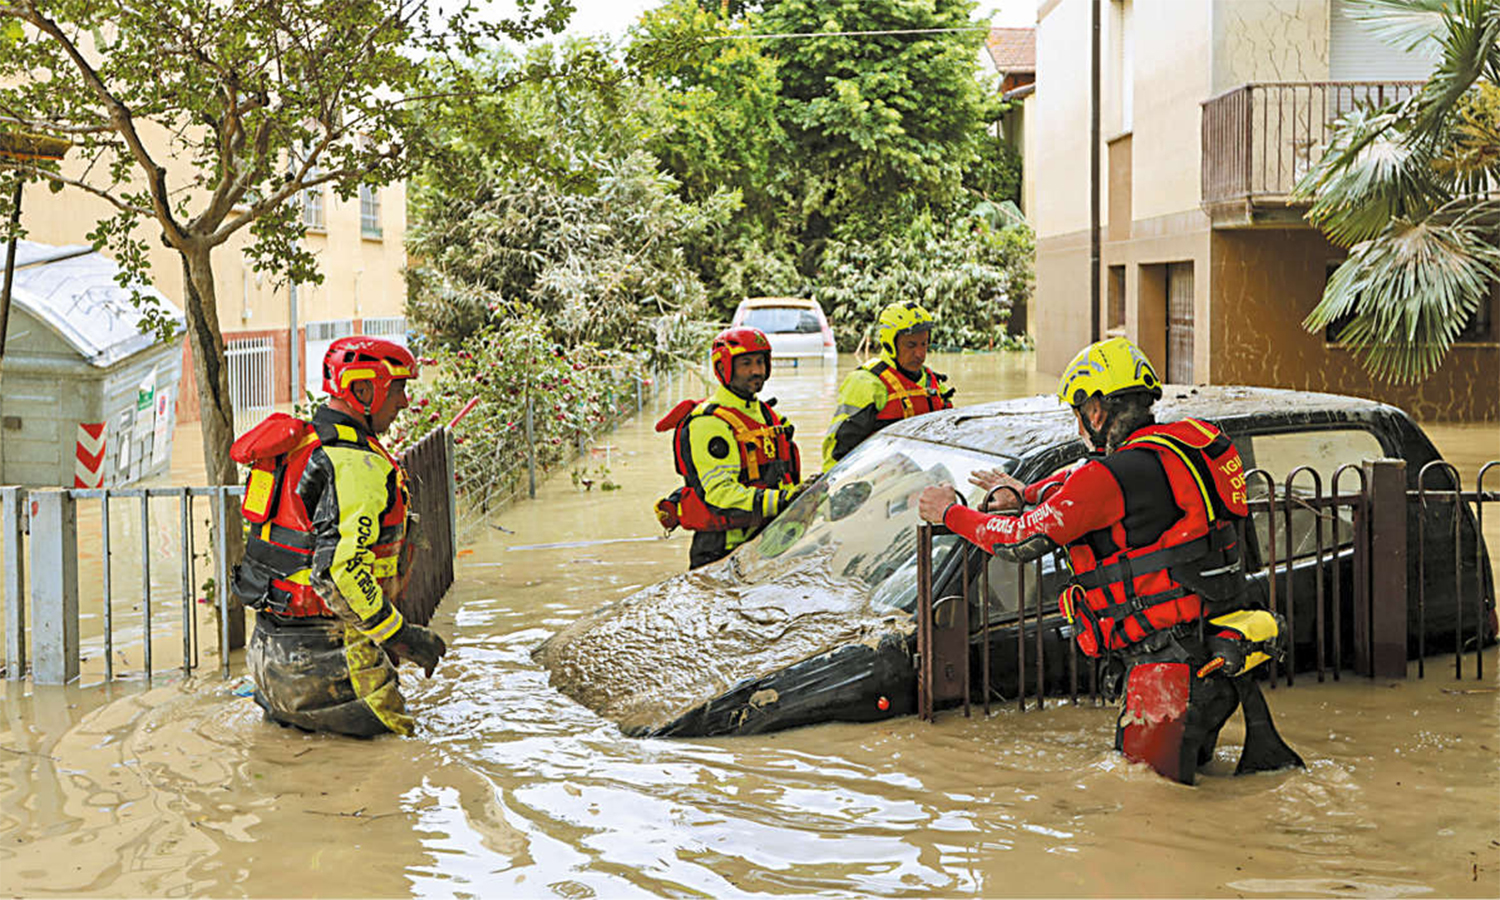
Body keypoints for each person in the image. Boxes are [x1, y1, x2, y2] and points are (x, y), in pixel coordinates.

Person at [916, 336, 1303, 785]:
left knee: (1149, 809)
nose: (1079, 424)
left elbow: (1020, 541)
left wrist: (949, 512)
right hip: (1216, 654)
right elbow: (1083, 484)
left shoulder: (1110, 477)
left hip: (1167, 675)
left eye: (1077, 413)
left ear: (1096, 411)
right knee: (1188, 788)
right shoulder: (1184, 447)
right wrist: (1027, 493)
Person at [230, 335, 448, 737]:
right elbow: (339, 572)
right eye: (398, 388)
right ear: (363, 389)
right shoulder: (354, 463)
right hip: (331, 668)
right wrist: (403, 636)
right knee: (402, 767)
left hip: (267, 663)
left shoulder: (299, 446)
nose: (404, 402)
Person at [654, 326, 806, 569]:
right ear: (724, 367)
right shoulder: (708, 422)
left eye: (760, 362)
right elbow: (719, 494)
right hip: (721, 551)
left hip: (768, 543)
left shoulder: (769, 416)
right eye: (746, 363)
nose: (756, 371)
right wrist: (784, 500)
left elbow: (783, 480)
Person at [822, 300, 953, 471]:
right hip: (880, 480)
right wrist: (832, 489)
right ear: (890, 343)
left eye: (924, 343)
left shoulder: (934, 383)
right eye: (911, 345)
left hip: (924, 475)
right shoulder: (866, 383)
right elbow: (837, 449)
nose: (920, 354)